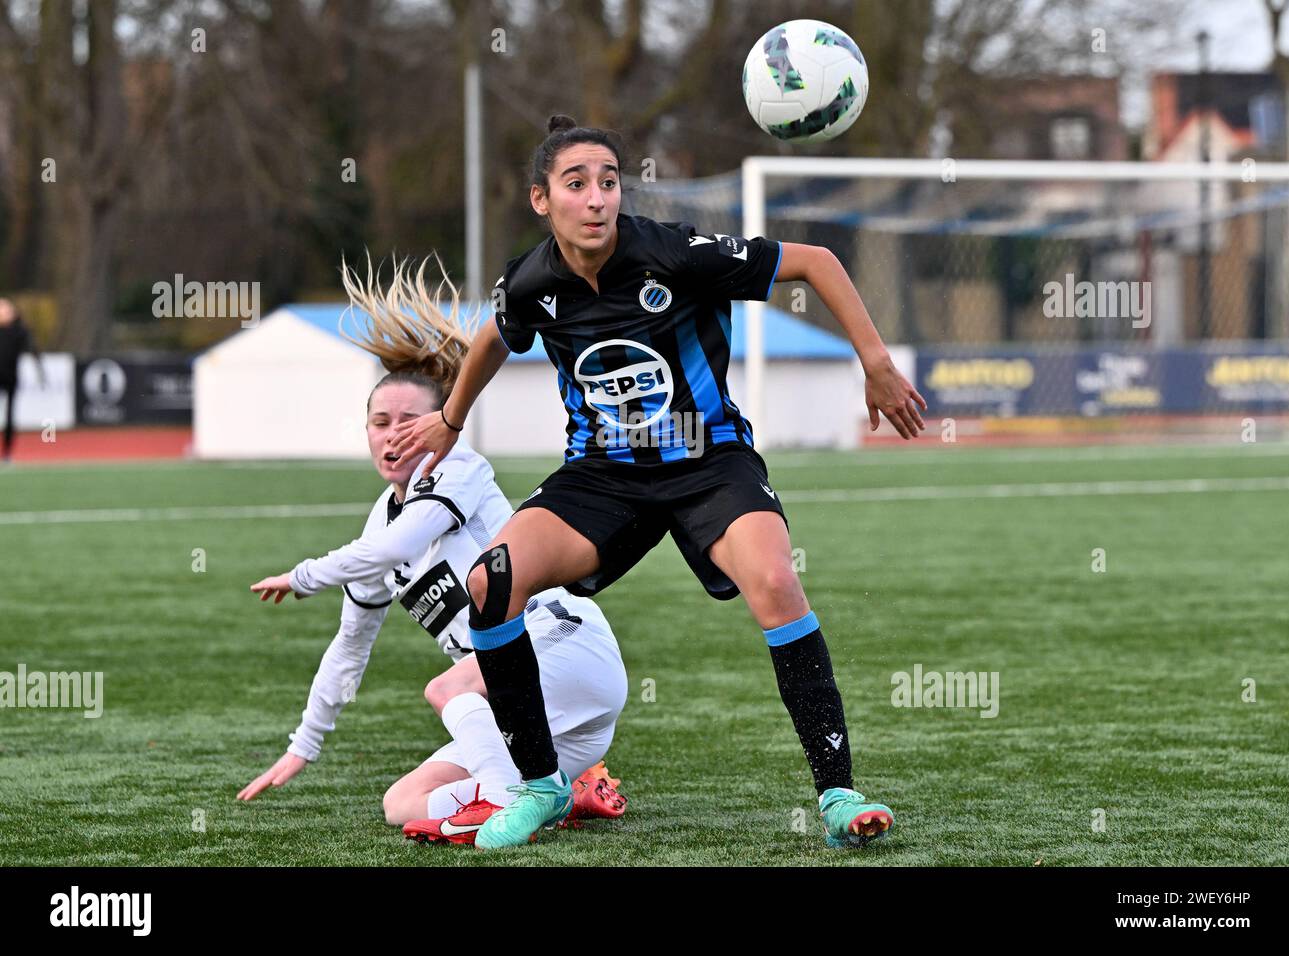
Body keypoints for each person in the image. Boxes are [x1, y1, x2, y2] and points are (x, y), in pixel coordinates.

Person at [387, 115, 928, 850]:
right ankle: (541, 786)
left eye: (609, 182)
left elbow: (817, 261)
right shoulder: (533, 283)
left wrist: (875, 360)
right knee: (492, 581)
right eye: (576, 184)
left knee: (774, 579)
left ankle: (837, 793)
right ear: (542, 200)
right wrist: (450, 417)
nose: (598, 198)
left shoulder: (674, 253)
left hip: (710, 462)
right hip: (605, 476)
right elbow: (490, 335)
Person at [239, 256, 628, 844]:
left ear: (441, 425)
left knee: (446, 688)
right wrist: (302, 746)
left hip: (569, 648)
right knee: (404, 803)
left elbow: (399, 543)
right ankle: (568, 793)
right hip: (533, 718)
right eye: (379, 421)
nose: (393, 433)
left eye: (410, 420)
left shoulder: (459, 470)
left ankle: (511, 799)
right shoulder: (379, 525)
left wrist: (303, 576)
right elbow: (349, 647)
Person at [0, 298, 44, 462]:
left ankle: (7, 453)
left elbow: (32, 349)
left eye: (4, 308)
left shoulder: (19, 331)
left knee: (10, 416)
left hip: (10, 377)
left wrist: (41, 371)